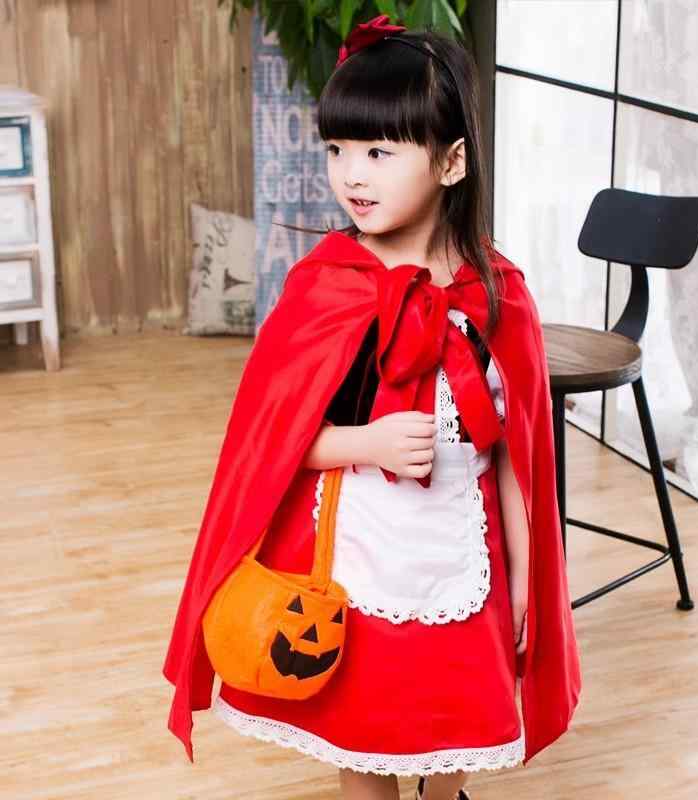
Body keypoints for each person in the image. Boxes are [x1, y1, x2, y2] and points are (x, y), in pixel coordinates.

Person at [162, 14, 581, 800]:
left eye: (379, 152)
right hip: (354, 570)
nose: (350, 174)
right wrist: (369, 443)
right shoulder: (326, 287)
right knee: (362, 743)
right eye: (337, 149)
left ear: (452, 161)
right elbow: (272, 442)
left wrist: (528, 577)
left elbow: (516, 459)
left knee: (452, 733)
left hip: (463, 566)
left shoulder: (499, 298)